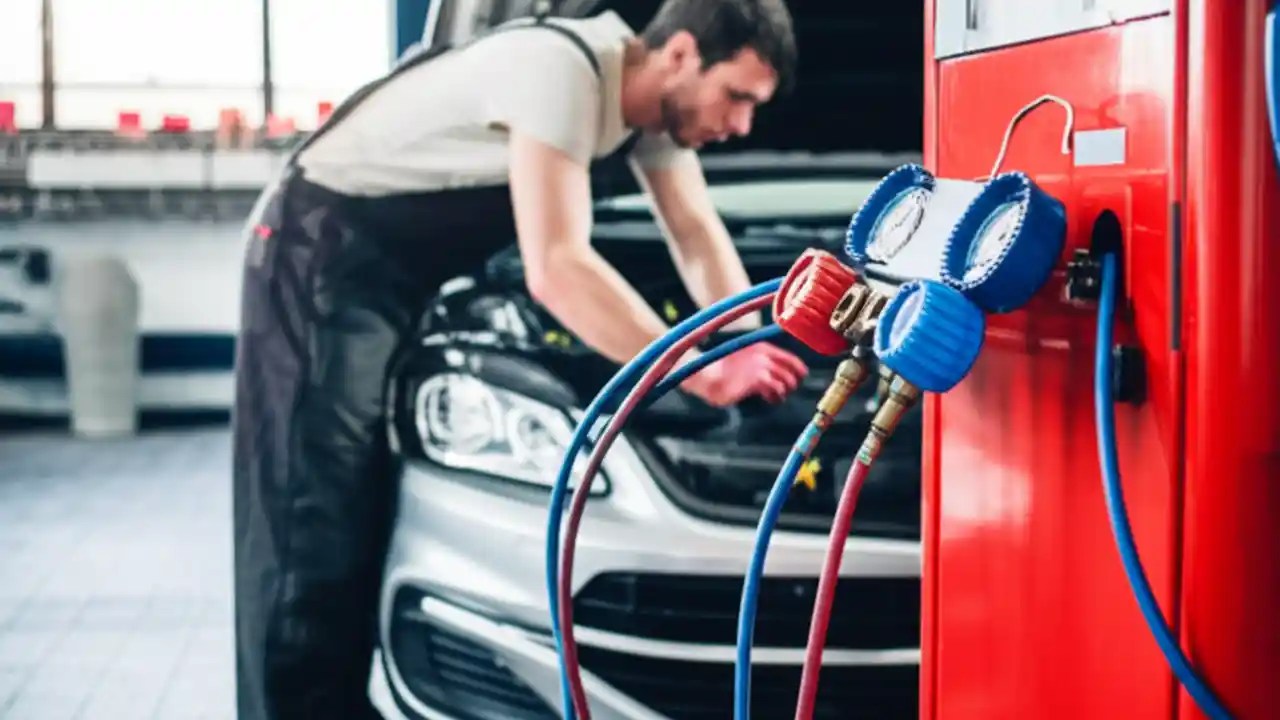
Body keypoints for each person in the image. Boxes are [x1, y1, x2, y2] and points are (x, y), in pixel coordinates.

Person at [231, 0, 806, 717]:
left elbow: (695, 233)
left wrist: (754, 339)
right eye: (739, 97)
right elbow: (558, 267)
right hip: (320, 255)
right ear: (681, 54)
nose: (743, 123)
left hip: (389, 278)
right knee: (309, 528)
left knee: (358, 514)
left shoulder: (648, 110)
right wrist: (702, 368)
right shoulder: (559, 68)